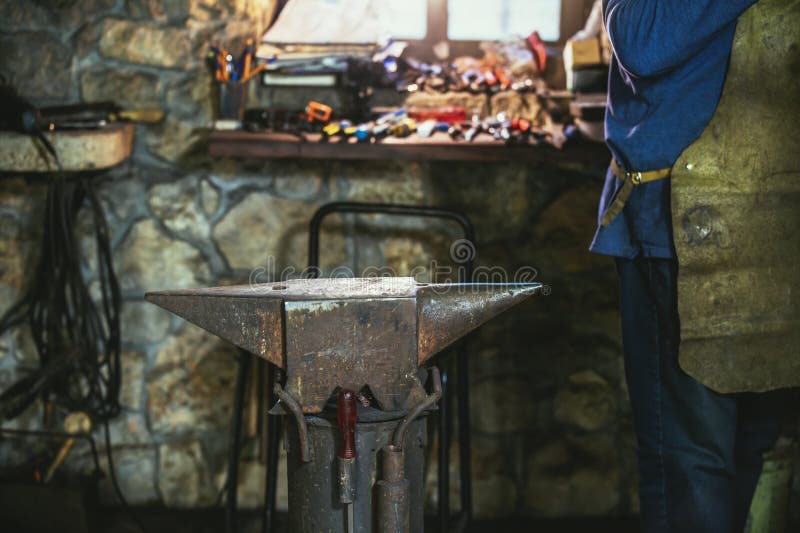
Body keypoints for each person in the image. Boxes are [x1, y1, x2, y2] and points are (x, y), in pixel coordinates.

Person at [589, 1, 799, 531]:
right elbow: (641, 43)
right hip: (678, 235)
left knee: (746, 448)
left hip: (778, 240)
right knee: (691, 463)